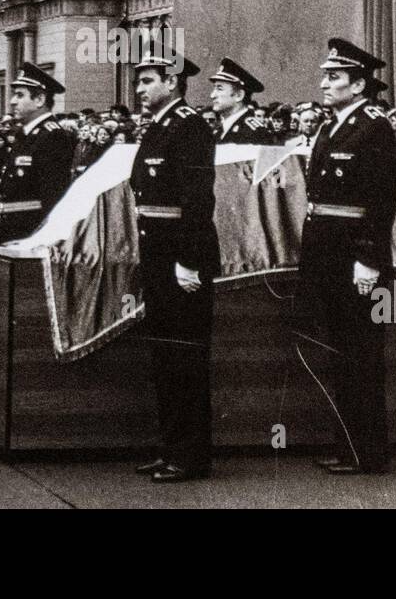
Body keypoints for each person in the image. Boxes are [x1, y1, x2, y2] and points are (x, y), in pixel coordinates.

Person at [296, 38, 396, 476]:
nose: (324, 83)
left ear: (359, 86)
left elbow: (381, 198)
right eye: (325, 75)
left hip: (354, 255)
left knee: (360, 354)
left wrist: (369, 258)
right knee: (341, 353)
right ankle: (348, 445)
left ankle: (366, 452)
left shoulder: (373, 125)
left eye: (334, 77)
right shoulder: (332, 124)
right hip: (327, 253)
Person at [130, 52, 218, 483]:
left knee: (184, 358)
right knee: (166, 356)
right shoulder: (161, 126)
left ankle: (190, 455)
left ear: (172, 81)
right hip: (158, 253)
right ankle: (171, 448)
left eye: (147, 80)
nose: (139, 89)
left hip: (180, 257)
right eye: (138, 81)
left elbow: (198, 201)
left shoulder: (189, 126)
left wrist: (189, 260)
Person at [0, 63, 76, 242]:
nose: (12, 101)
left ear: (39, 100)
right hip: (12, 230)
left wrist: (44, 239)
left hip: (31, 233)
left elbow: (53, 195)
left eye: (20, 95)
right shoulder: (25, 134)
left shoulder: (52, 135)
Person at [209, 57, 273, 144]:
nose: (212, 95)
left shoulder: (254, 133)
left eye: (219, 89)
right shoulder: (219, 131)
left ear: (239, 95)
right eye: (214, 89)